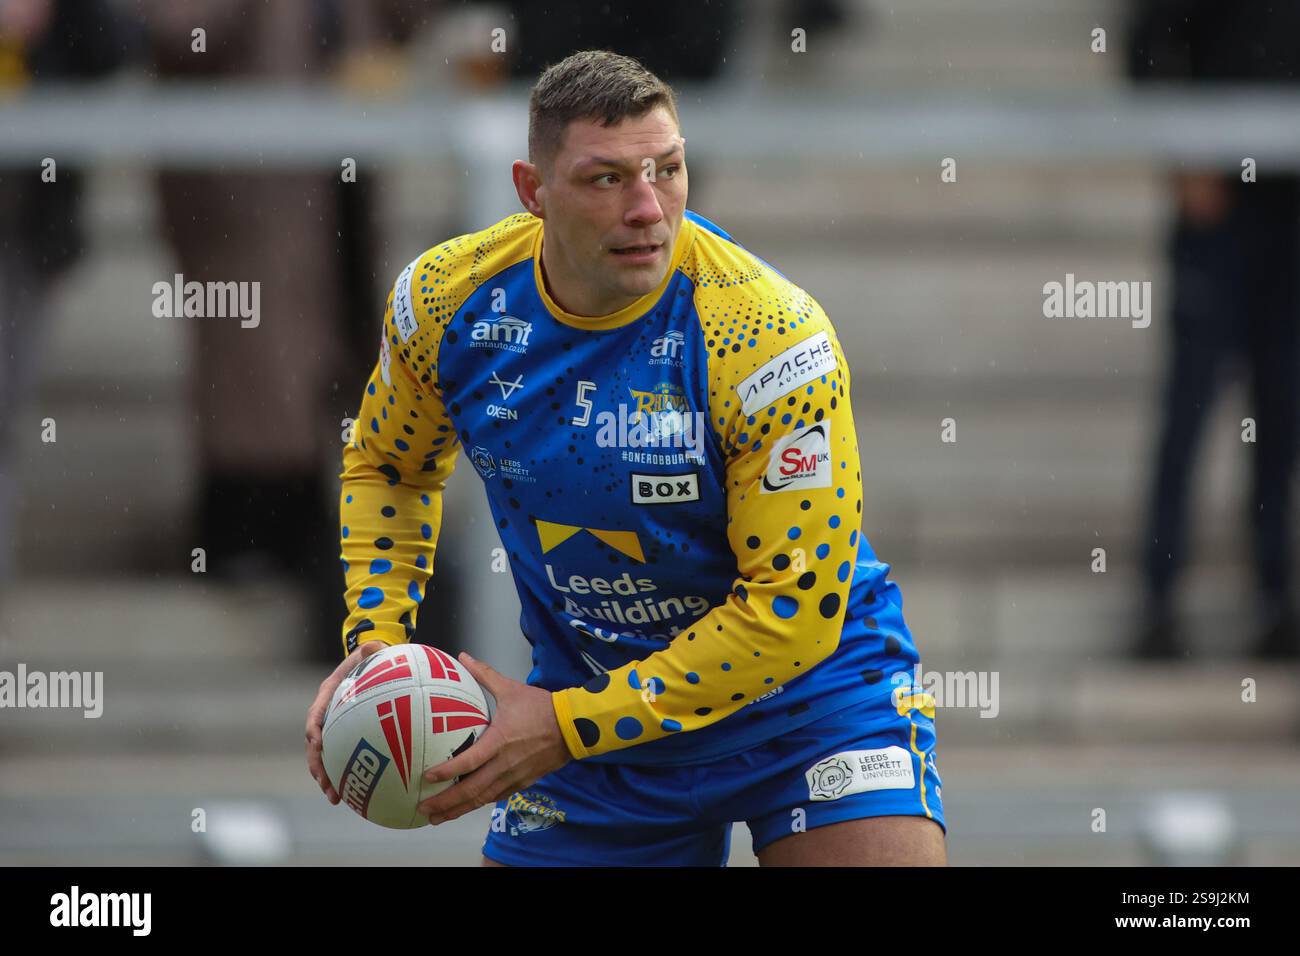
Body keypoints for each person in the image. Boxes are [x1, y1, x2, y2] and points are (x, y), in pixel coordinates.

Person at [306, 50, 946, 866]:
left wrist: (565, 725)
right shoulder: (447, 301)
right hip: (592, 717)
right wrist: (375, 640)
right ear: (532, 191)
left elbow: (792, 608)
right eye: (607, 179)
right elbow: (390, 465)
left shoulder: (768, 337)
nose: (649, 208)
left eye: (668, 170)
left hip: (809, 705)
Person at [1127, 0, 1300, 659]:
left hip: (1290, 217)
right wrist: (1185, 156)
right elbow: (1145, 48)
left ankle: (1275, 598)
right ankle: (1159, 598)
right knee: (1189, 409)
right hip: (1218, 214)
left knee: (1281, 411)